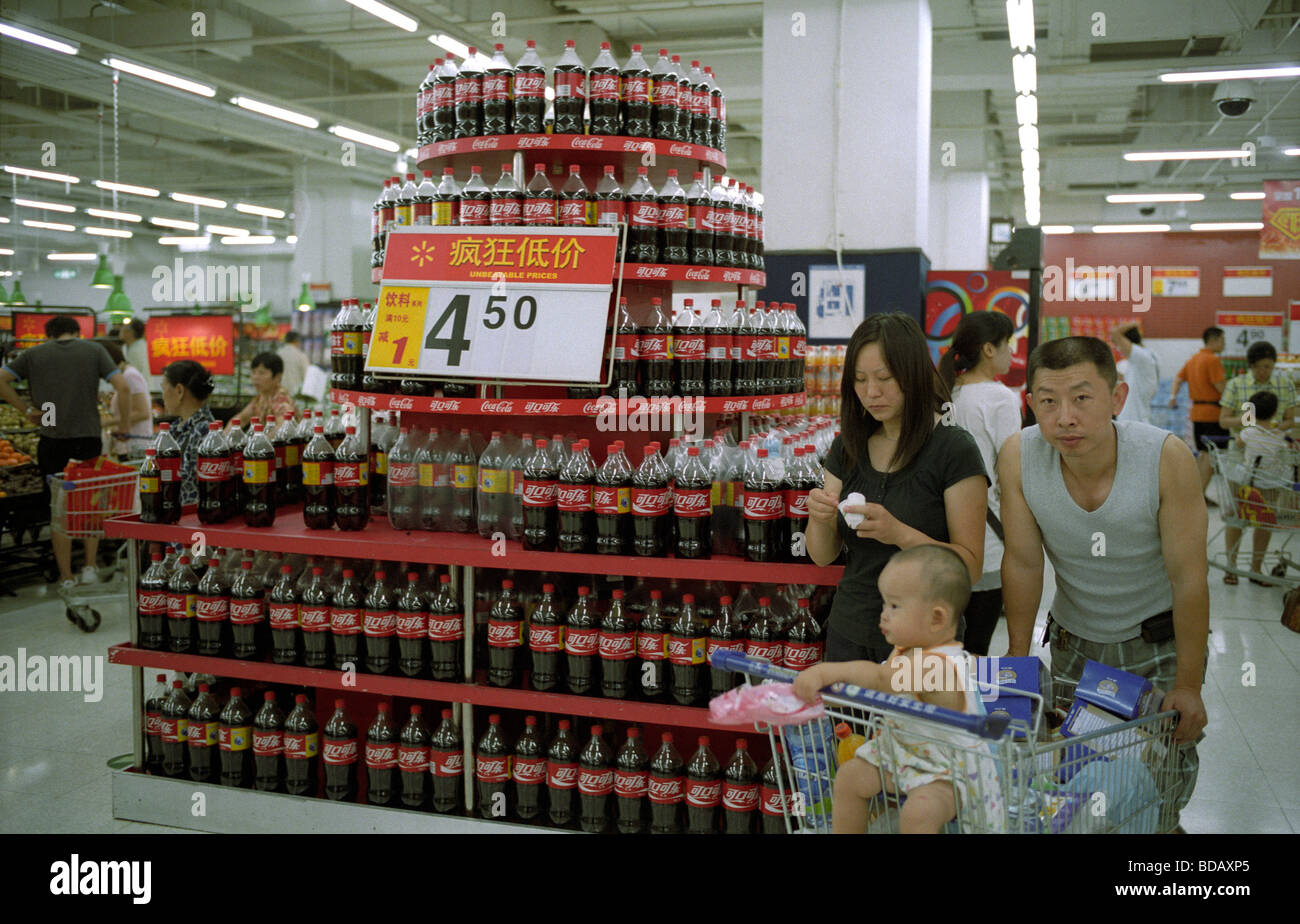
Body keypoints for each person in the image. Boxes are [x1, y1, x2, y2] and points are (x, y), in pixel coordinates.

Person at [999, 336, 1209, 832]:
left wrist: (1189, 684)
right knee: (1079, 783)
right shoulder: (1019, 456)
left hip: (1155, 643)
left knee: (1162, 784)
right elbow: (1024, 563)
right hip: (1075, 644)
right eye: (1047, 401)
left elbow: (1189, 577)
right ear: (1030, 403)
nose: (1064, 417)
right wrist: (1018, 660)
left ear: (1117, 398)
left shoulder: (1164, 458)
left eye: (1082, 397)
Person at [804, 312, 989, 663]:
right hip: (850, 632)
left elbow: (970, 567)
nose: (871, 393)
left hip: (924, 642)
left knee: (915, 720)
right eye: (859, 380)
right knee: (847, 720)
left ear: (914, 375)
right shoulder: (847, 446)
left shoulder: (953, 450)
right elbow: (822, 555)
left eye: (885, 378)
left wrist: (900, 534)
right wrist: (820, 517)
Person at [792, 546, 1000, 834]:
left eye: (894, 606)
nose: (883, 614)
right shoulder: (904, 650)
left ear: (937, 618)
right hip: (903, 753)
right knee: (850, 777)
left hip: (950, 770)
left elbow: (881, 679)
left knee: (920, 810)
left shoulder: (939, 665)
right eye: (884, 603)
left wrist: (827, 671)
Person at [0, 315, 131, 589]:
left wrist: (26, 410)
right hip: (88, 437)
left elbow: (1, 379)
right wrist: (124, 427)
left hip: (51, 436)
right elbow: (123, 387)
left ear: (49, 335)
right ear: (76, 332)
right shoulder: (94, 350)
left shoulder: (33, 354)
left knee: (58, 509)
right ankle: (90, 567)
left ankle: (66, 576)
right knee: (89, 504)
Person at [938, 310, 1021, 655]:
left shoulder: (947, 393)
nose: (1011, 354)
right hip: (986, 541)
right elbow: (1011, 473)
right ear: (989, 349)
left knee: (942, 647)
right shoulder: (999, 398)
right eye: (1007, 345)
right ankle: (970, 708)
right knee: (976, 650)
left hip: (940, 536)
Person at [1217, 341, 1298, 584]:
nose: (1265, 371)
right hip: (1240, 463)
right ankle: (1231, 566)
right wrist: (1250, 421)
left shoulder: (1284, 384)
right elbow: (1223, 421)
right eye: (1260, 367)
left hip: (1271, 466)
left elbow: (1290, 420)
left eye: (1269, 367)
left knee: (1265, 516)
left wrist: (1273, 427)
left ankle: (1255, 567)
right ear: (1250, 365)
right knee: (1238, 514)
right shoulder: (1236, 385)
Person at [1224, 391, 1292, 586]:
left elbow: (1237, 444)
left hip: (1248, 488)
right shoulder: (1280, 436)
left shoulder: (1248, 432)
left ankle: (1232, 567)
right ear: (1274, 413)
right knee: (1265, 524)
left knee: (1235, 519)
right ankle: (1255, 568)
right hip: (1269, 489)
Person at [1169, 327, 1227, 501]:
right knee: (1212, 455)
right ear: (1214, 340)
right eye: (1222, 340)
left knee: (1203, 453)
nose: (1224, 344)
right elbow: (1221, 387)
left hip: (1197, 414)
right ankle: (1199, 495)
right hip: (1213, 414)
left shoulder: (1193, 359)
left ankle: (1198, 492)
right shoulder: (1212, 360)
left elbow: (1178, 379)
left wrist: (1173, 396)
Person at [160, 360, 217, 507]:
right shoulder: (176, 428)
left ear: (179, 391)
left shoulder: (204, 433)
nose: (163, 396)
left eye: (164, 388)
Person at [100, 339, 153, 457]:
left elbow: (143, 412)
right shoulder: (125, 375)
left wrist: (107, 422)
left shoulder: (130, 376)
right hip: (129, 445)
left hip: (136, 446)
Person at [231, 351, 297, 429]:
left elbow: (281, 429)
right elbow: (241, 419)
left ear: (277, 377)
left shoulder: (281, 400)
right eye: (253, 372)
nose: (255, 377)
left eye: (262, 373)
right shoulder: (260, 397)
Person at [1110, 322, 1158, 425]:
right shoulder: (1136, 362)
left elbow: (1114, 332)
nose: (1119, 349)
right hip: (1129, 421)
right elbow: (1126, 379)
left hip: (1136, 423)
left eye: (1119, 344)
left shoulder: (1142, 357)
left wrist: (1133, 324)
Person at [118, 318, 153, 389]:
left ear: (130, 332)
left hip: (140, 389)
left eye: (124, 328)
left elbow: (134, 372)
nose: (121, 330)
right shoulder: (128, 347)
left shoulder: (139, 349)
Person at [278, 331, 311, 401]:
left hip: (279, 394)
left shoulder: (278, 354)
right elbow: (307, 377)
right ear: (297, 341)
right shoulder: (301, 356)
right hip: (295, 396)